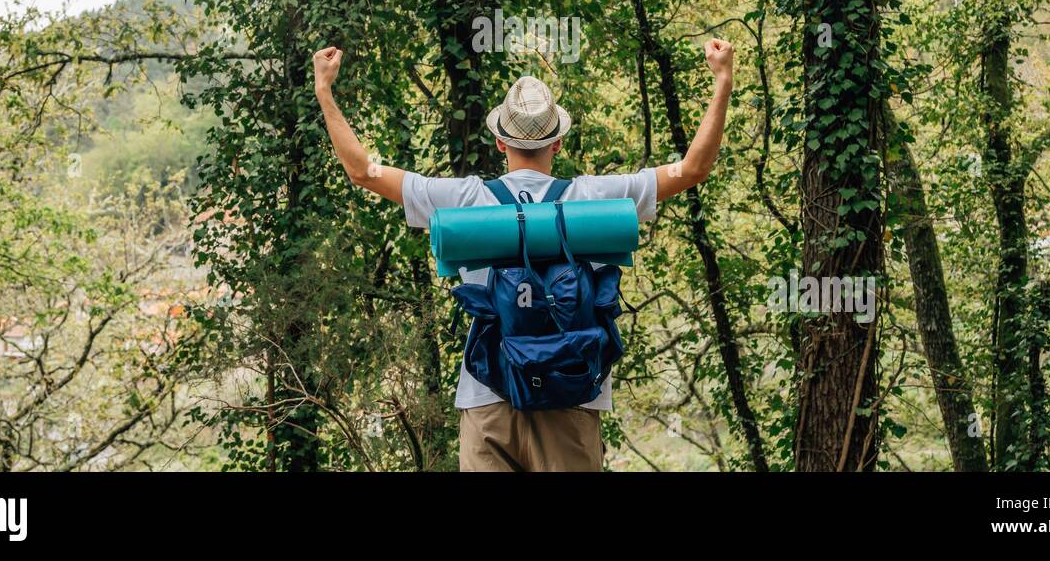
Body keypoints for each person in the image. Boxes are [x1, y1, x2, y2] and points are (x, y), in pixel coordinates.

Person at [312, 37, 736, 471]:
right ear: (557, 143)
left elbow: (363, 171)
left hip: (488, 398)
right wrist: (723, 80)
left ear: (500, 142)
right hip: (572, 396)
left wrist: (324, 91)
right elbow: (692, 169)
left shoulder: (464, 199)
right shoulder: (595, 196)